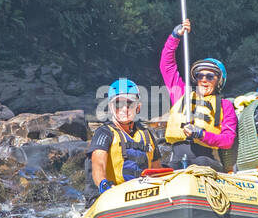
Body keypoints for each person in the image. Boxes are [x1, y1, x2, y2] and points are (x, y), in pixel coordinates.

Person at [160, 19, 237, 171]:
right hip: (177, 159)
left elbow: (228, 140)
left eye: (209, 76)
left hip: (206, 159)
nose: (203, 79)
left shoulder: (225, 105)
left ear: (219, 81)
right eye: (200, 75)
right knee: (165, 168)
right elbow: (167, 66)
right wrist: (175, 37)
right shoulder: (181, 94)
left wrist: (201, 134)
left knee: (200, 162)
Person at [90, 77, 161, 197]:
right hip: (114, 194)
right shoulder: (104, 133)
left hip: (143, 195)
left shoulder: (146, 134)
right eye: (118, 104)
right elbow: (98, 165)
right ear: (111, 107)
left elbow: (157, 170)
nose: (124, 109)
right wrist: (104, 185)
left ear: (138, 107)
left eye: (130, 103)